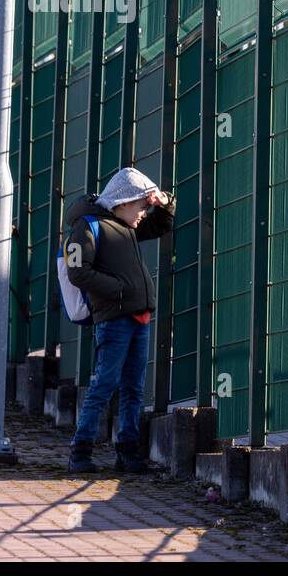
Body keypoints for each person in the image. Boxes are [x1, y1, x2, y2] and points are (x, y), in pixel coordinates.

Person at [63, 167, 176, 473]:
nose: (142, 214)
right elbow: (77, 271)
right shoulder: (86, 227)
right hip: (114, 318)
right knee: (105, 382)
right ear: (124, 202)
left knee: (133, 388)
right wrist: (119, 290)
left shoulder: (127, 225)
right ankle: (81, 449)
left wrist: (163, 202)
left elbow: (161, 225)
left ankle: (127, 452)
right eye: (140, 207)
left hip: (139, 317)